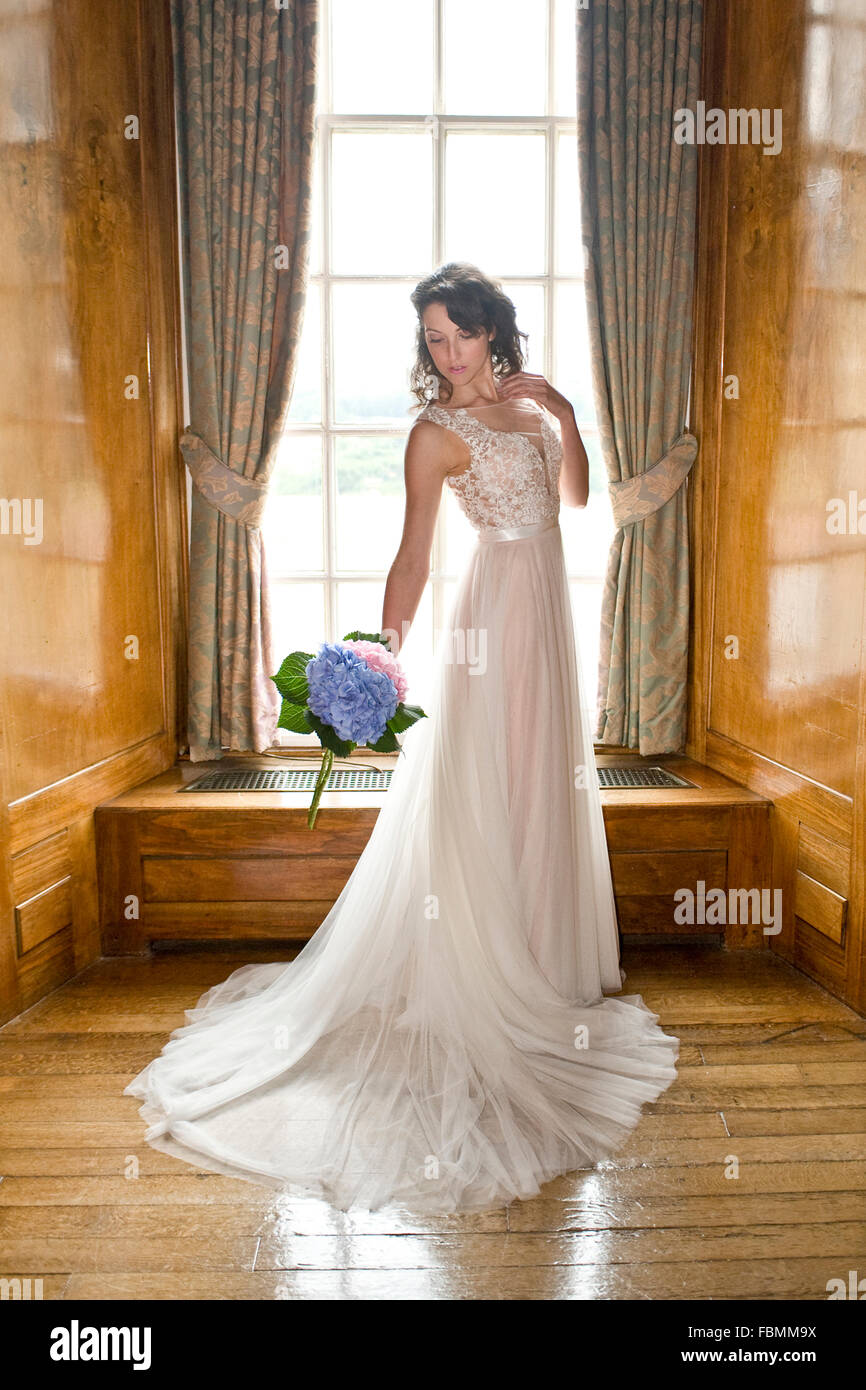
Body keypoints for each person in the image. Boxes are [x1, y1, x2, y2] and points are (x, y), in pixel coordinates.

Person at [125, 262, 679, 1214]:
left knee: (546, 785)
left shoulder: (534, 417)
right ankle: (484, 974)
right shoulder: (435, 435)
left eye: (459, 332)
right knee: (491, 786)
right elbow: (415, 555)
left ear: (493, 333)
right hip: (491, 624)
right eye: (433, 337)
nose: (448, 351)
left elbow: (580, 502)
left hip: (547, 622)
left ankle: (546, 969)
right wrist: (380, 662)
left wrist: (570, 413)